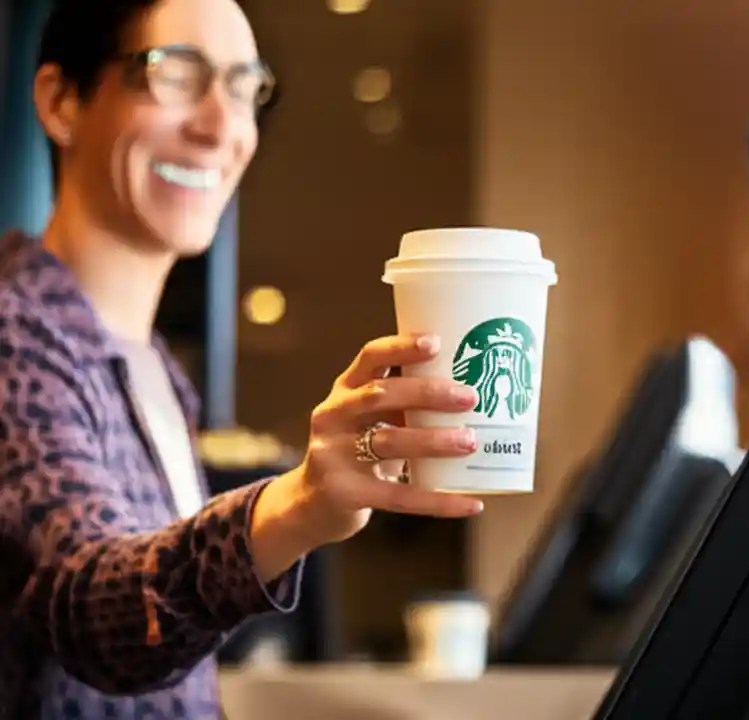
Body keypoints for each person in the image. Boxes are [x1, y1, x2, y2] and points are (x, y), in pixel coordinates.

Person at [0, 0, 487, 717]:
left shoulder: (157, 372)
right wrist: (298, 503)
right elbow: (92, 608)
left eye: (242, 86)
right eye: (174, 74)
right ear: (62, 101)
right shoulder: (16, 337)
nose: (221, 126)